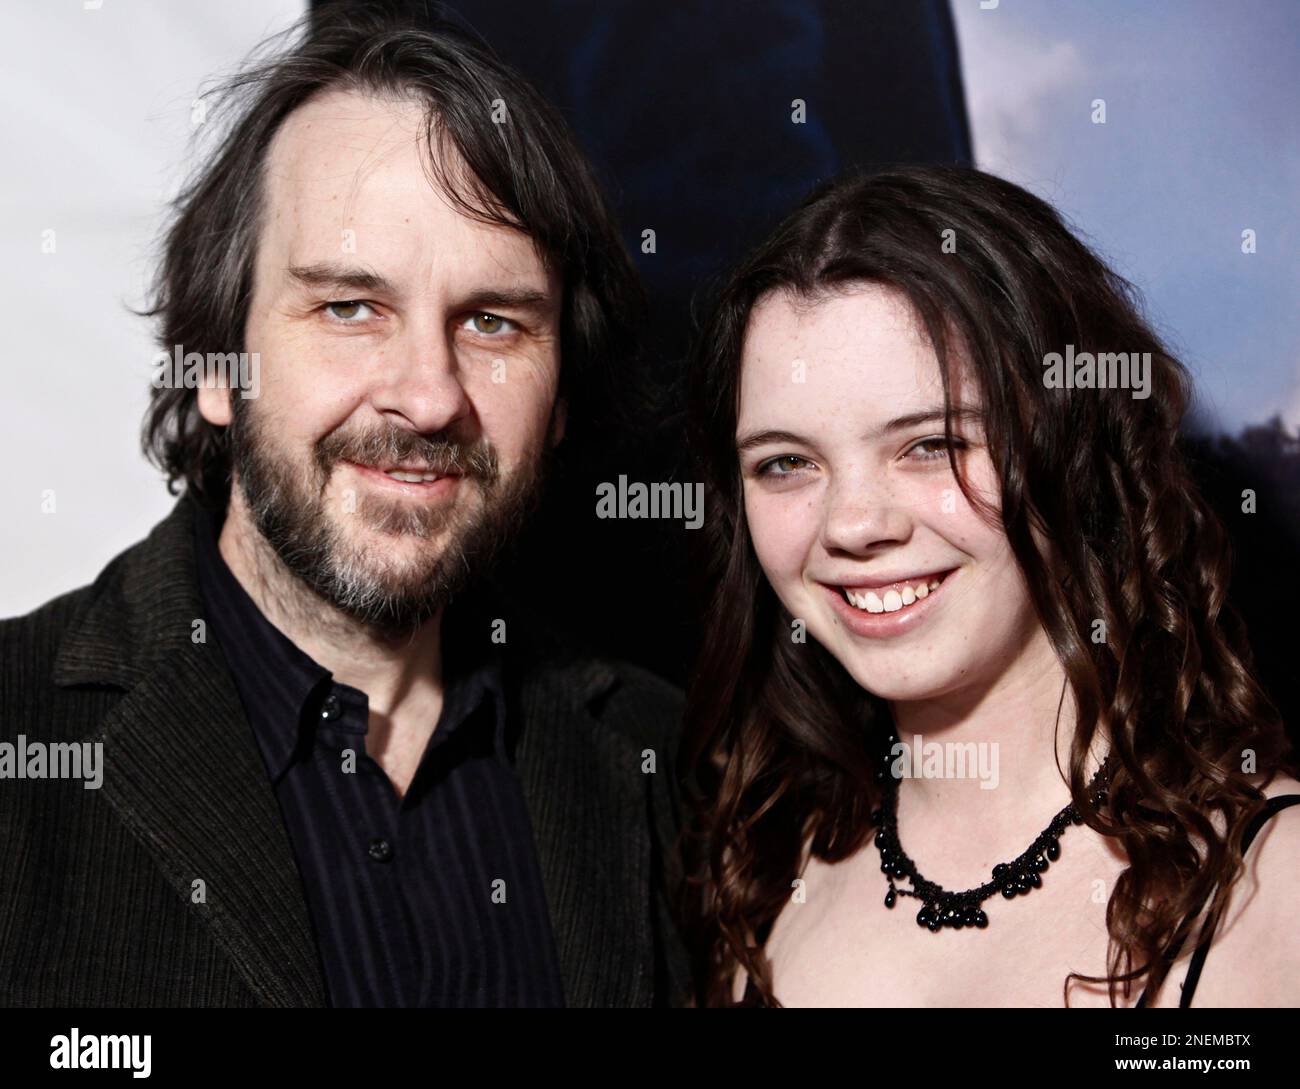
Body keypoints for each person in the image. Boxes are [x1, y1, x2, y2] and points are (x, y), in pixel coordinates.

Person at [0, 4, 686, 1008]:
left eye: (492, 322)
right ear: (216, 366)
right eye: (350, 307)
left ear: (561, 396)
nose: (427, 395)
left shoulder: (663, 759)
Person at [683, 165, 1300, 1007]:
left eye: (930, 444)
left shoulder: (1275, 886)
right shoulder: (754, 875)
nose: (854, 524)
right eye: (787, 463)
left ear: (1075, 453)